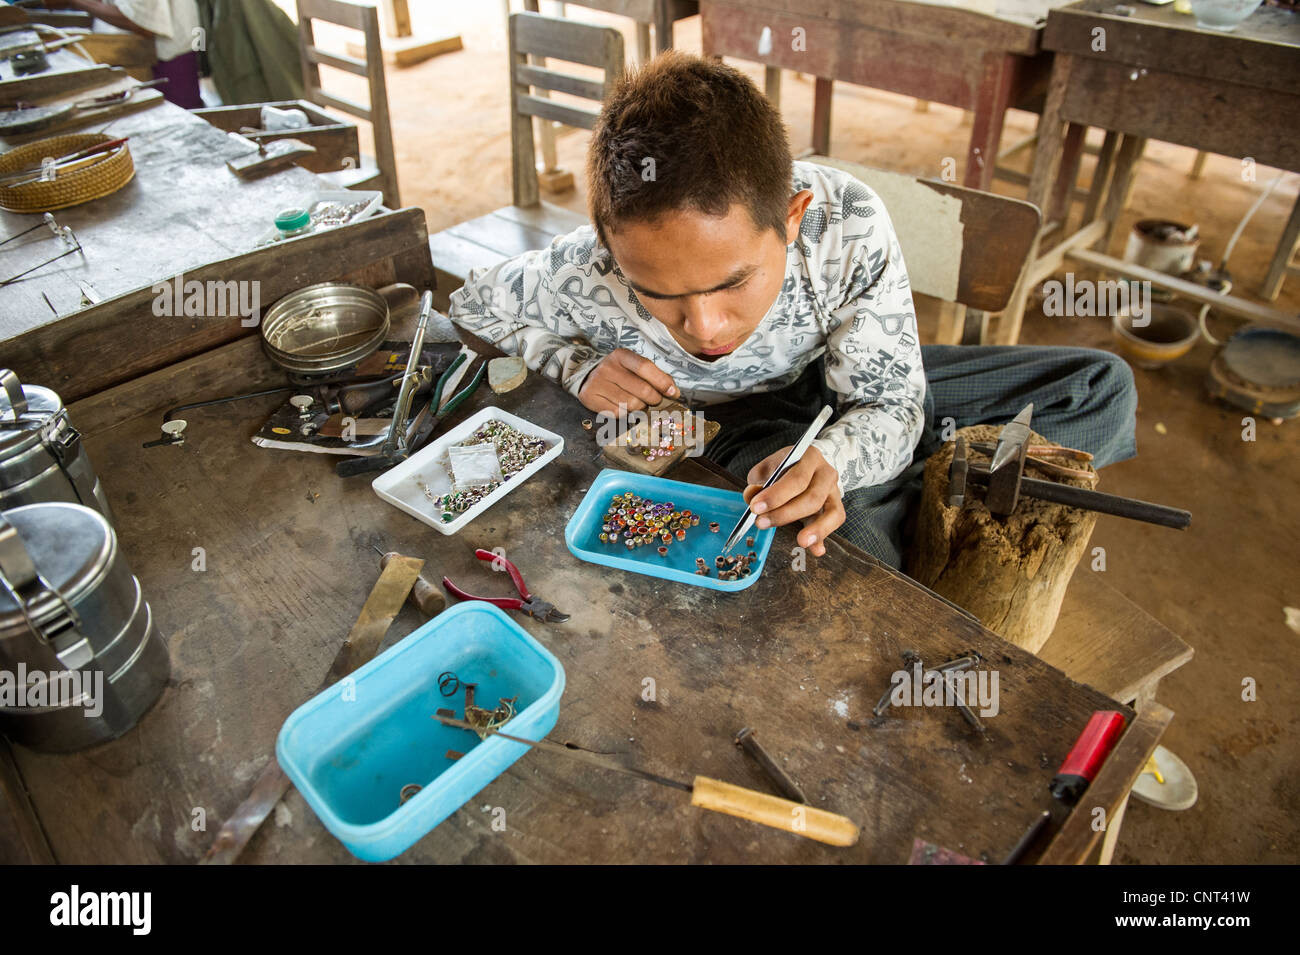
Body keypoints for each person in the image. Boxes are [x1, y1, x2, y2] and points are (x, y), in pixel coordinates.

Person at [448, 52, 1138, 570]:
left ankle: (891, 488)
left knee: (1101, 387)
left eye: (733, 282)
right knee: (853, 555)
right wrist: (576, 365)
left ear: (792, 219)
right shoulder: (589, 269)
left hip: (842, 384)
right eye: (659, 295)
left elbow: (893, 399)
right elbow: (471, 300)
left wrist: (837, 454)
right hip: (727, 427)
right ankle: (899, 497)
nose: (706, 327)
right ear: (609, 249)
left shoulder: (847, 225)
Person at [45, 0, 203, 108]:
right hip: (157, 52)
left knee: (177, 127)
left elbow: (139, 23)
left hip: (167, 60)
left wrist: (76, 1)